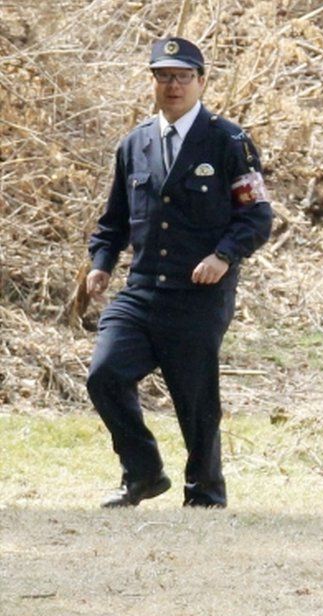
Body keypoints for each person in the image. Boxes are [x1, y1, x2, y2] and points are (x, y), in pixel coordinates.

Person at [85, 36, 273, 508]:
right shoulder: (135, 144)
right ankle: (143, 474)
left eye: (183, 76)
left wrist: (224, 256)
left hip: (199, 291)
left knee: (194, 398)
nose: (173, 85)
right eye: (164, 76)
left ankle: (205, 491)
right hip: (143, 288)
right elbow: (113, 220)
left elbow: (256, 215)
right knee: (104, 375)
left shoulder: (228, 140)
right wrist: (101, 264)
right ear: (153, 81)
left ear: (201, 81)